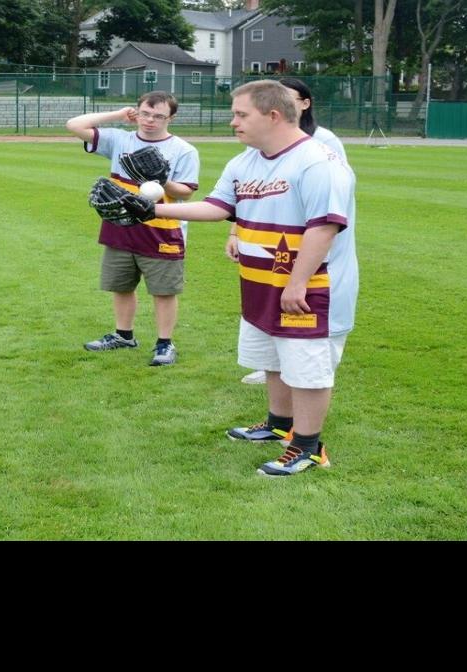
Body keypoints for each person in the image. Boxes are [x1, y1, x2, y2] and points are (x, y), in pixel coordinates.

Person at [115, 80, 358, 476]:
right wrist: (151, 211)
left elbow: (323, 228)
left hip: (313, 288)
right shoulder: (244, 161)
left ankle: (309, 446)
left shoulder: (317, 161)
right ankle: (279, 425)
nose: (233, 122)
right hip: (261, 283)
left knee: (307, 366)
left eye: (241, 114)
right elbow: (217, 206)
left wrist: (297, 283)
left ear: (273, 115)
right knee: (275, 358)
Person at [65, 91, 200, 366]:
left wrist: (161, 180)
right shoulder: (120, 139)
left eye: (159, 116)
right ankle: (123, 335)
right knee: (121, 286)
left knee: (163, 291)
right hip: (120, 226)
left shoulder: (184, 150)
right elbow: (74, 125)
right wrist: (117, 115)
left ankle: (164, 344)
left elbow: (186, 193)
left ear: (170, 118)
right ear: (136, 112)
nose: (150, 120)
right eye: (145, 114)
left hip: (162, 229)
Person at [237, 77, 349, 385]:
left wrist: (299, 281)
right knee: (280, 346)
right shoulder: (257, 151)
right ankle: (280, 419)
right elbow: (249, 196)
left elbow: (325, 217)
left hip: (315, 258)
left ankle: (305, 431)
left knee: (311, 358)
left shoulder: (321, 149)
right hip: (275, 262)